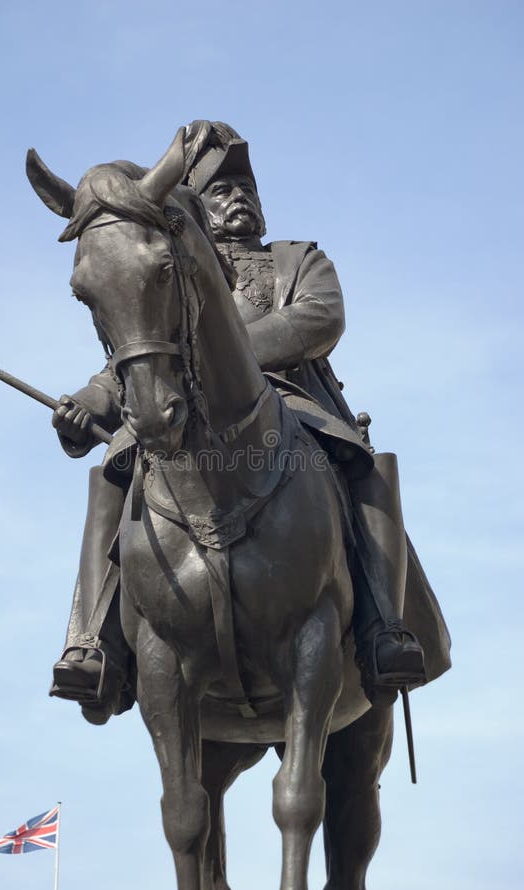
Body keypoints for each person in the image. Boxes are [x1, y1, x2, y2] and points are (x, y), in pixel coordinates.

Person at [50, 121, 431, 723]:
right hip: (179, 410)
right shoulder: (170, 263)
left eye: (246, 189)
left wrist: (227, 355)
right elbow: (139, 341)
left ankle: (384, 628)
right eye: (222, 191)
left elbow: (319, 318)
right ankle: (95, 643)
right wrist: (90, 401)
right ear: (195, 205)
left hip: (288, 403)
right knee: (114, 468)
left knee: (367, 464)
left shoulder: (297, 259)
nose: (238, 199)